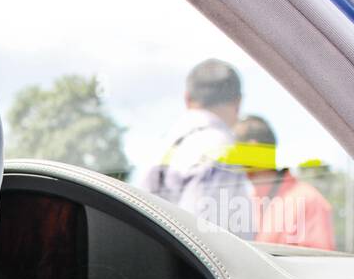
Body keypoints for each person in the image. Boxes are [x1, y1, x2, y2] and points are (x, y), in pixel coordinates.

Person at [144, 58, 254, 237]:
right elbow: (207, 241)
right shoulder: (220, 149)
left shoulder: (161, 147)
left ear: (187, 98)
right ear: (238, 102)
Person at [229, 115, 335, 251]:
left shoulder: (308, 201)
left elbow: (320, 264)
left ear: (252, 149)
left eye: (233, 150)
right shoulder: (245, 199)